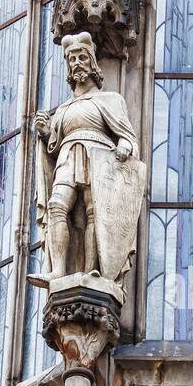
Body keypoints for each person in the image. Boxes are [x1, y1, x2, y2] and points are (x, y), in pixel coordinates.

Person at [34, 31, 144, 283]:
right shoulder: (63, 109)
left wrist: (126, 145)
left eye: (81, 57)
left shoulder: (109, 100)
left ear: (92, 63)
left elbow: (126, 134)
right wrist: (44, 133)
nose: (76, 63)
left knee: (96, 212)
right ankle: (58, 271)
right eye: (71, 59)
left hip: (98, 159)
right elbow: (53, 145)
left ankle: (94, 269)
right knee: (57, 206)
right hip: (67, 158)